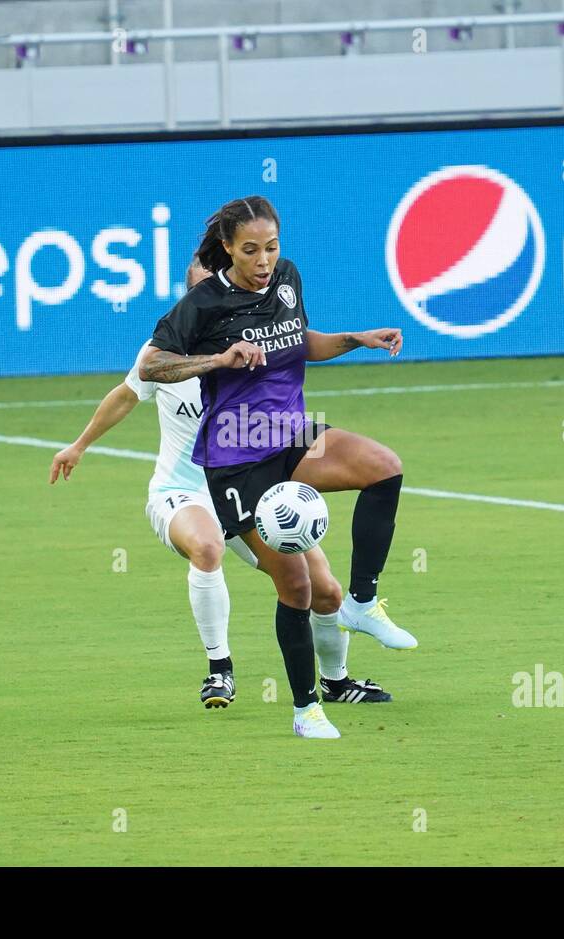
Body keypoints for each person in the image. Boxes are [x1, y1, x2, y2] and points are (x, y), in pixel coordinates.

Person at [50, 258, 392, 709]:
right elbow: (126, 394)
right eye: (209, 287)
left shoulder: (258, 341)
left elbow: (293, 371)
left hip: (248, 485)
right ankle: (220, 669)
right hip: (184, 492)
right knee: (208, 545)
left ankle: (336, 681)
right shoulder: (166, 354)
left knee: (324, 590)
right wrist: (78, 445)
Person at [140, 197, 417, 740]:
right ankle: (306, 709)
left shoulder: (287, 278)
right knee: (296, 586)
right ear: (227, 249)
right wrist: (218, 360)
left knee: (384, 467)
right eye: (250, 250)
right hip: (236, 457)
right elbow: (152, 364)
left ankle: (362, 603)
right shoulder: (203, 304)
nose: (264, 260)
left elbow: (297, 344)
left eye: (271, 247)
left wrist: (353, 339)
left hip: (289, 433)